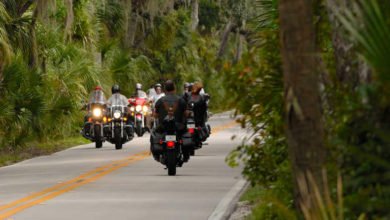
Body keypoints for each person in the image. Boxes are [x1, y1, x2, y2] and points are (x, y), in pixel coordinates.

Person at [151, 80, 188, 160]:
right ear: (174, 89)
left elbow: (156, 115)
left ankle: (157, 156)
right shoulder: (181, 100)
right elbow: (186, 114)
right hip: (178, 127)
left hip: (163, 127)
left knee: (153, 133)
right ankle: (185, 155)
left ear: (164, 89)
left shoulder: (160, 101)